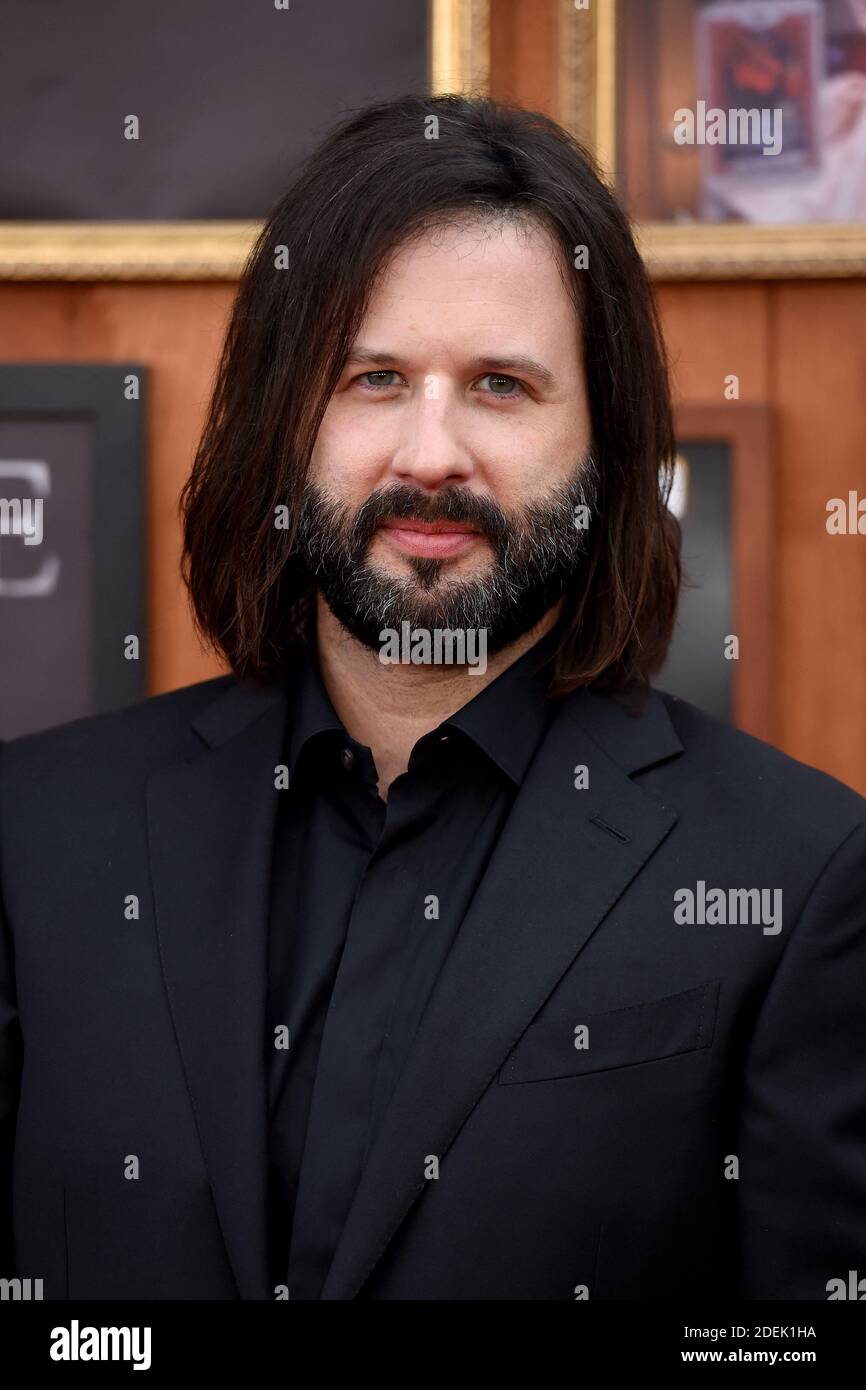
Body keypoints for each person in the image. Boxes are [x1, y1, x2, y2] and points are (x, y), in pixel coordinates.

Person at [1, 94, 864, 1302]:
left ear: (606, 448)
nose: (429, 452)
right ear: (282, 420)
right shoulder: (34, 833)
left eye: (501, 385)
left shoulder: (799, 873)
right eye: (373, 377)